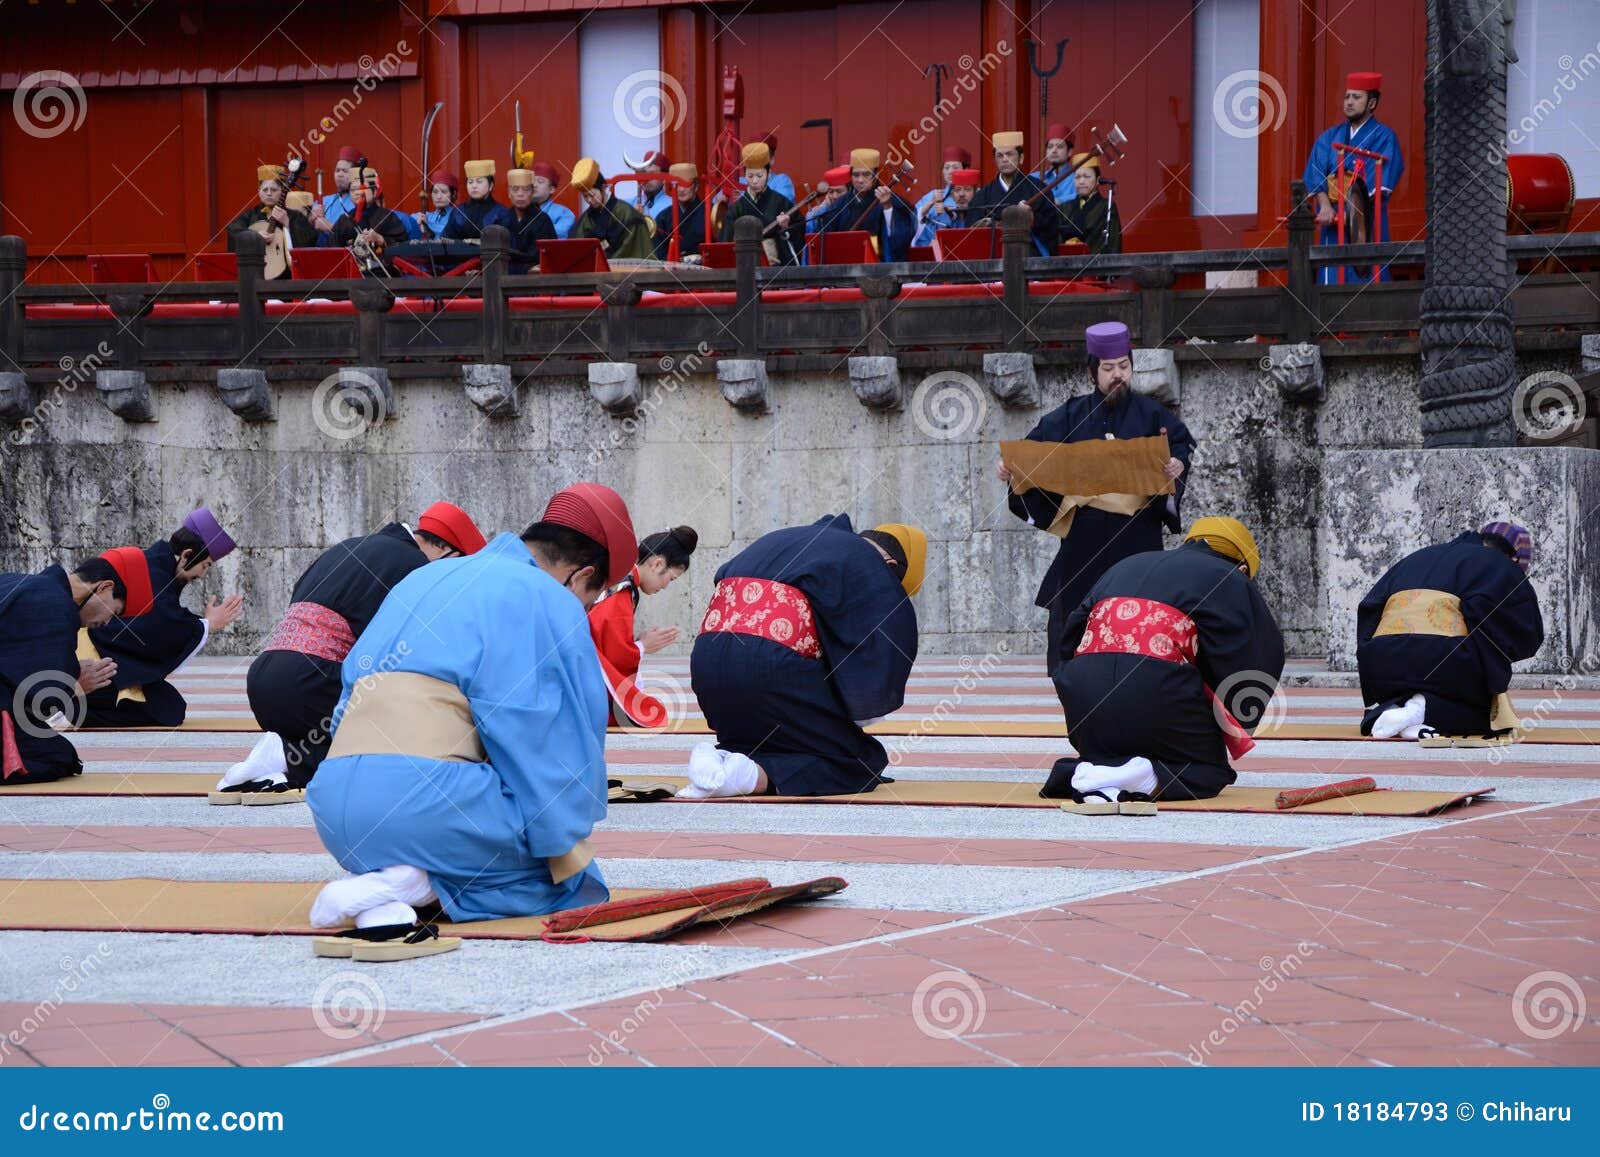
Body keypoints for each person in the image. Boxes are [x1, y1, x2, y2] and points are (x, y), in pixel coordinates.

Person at [305, 484, 637, 948]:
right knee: (568, 876)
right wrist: (567, 836)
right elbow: (544, 740)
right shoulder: (547, 598)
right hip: (425, 809)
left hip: (337, 815)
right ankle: (419, 883)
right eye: (588, 599)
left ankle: (384, 893)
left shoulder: (424, 577)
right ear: (582, 577)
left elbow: (347, 693)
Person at [215, 503, 487, 805]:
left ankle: (276, 758)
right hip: (311, 684)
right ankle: (286, 758)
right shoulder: (416, 568)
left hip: (263, 682)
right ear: (449, 552)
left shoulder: (348, 547)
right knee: (396, 743)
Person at [1042, 518, 1285, 807]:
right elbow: (1255, 657)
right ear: (1243, 568)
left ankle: (1086, 771)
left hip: (1085, 701)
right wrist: (1230, 719)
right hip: (1157, 693)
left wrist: (1073, 688)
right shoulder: (1229, 577)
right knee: (1209, 771)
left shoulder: (1127, 563)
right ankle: (1144, 776)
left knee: (1109, 748)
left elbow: (1069, 635)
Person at [999, 321, 1193, 672]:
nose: (1117, 375)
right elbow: (1031, 454)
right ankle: (1077, 683)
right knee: (1076, 624)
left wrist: (1177, 467)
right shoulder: (1069, 416)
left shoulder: (1153, 415)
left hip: (1137, 535)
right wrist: (1014, 474)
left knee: (1139, 615)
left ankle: (1139, 681)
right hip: (1083, 539)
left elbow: (1181, 447)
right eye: (1108, 369)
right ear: (1093, 371)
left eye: (1124, 366)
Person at [684, 517, 925, 798]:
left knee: (761, 739)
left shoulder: (787, 539)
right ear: (890, 567)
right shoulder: (866, 561)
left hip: (706, 663)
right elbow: (881, 645)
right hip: (769, 666)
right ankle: (751, 778)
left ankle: (719, 759)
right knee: (858, 759)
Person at [1356, 521, 1543, 744]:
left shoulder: (1419, 556)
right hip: (1444, 660)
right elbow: (1522, 629)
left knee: (1414, 677)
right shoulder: (1498, 564)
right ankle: (1422, 710)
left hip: (1381, 662)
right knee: (1490, 716)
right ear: (1514, 558)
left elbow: (1369, 607)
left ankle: (1399, 710)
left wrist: (1370, 657)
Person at [81, 508, 244, 728]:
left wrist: (204, 624)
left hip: (111, 655)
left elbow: (165, 617)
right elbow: (159, 624)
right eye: (204, 565)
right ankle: (81, 709)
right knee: (170, 710)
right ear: (186, 555)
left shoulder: (158, 564)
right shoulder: (153, 570)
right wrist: (208, 624)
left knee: (170, 706)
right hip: (95, 658)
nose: (201, 575)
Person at [1, 550, 150, 786]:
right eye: (116, 611)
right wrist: (76, 686)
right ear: (104, 587)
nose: (108, 622)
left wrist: (67, 673)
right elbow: (43, 705)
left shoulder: (25, 583)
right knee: (58, 756)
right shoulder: (56, 607)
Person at [1301, 71, 1404, 284]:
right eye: (1347, 97)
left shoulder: (1385, 136)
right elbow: (1316, 171)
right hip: (1332, 217)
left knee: (1367, 274)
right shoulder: (1328, 137)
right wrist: (1325, 207)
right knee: (1331, 278)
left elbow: (1379, 182)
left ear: (1371, 103)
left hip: (1366, 217)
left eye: (1356, 97)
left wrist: (1354, 212)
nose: (1349, 102)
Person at [589, 526, 699, 725]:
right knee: (651, 712)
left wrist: (638, 642)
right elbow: (613, 656)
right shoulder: (622, 594)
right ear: (657, 564)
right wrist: (642, 646)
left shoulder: (621, 580)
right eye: (670, 579)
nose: (666, 586)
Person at [812, 147, 914, 262]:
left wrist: (887, 207)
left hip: (880, 268)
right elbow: (823, 239)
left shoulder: (893, 201)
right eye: (856, 175)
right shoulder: (840, 204)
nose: (860, 180)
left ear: (876, 175)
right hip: (846, 268)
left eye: (866, 174)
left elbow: (901, 240)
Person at [970, 131, 1059, 256]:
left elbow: (1051, 228)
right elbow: (973, 233)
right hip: (994, 263)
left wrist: (1030, 218)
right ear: (994, 160)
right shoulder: (982, 196)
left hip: (1029, 258)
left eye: (1009, 154)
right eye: (999, 155)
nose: (1004, 159)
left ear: (1021, 158)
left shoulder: (1038, 189)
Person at [721, 142, 803, 263]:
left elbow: (799, 229)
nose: (754, 181)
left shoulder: (781, 202)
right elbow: (725, 243)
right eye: (750, 176)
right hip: (744, 267)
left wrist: (785, 229)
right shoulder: (737, 208)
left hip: (775, 267)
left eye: (759, 176)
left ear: (768, 174)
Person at [227, 165, 317, 275]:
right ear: (259, 192)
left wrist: (288, 224)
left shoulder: (294, 216)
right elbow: (233, 231)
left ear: (283, 191)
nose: (269, 193)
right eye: (265, 190)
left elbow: (309, 241)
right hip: (257, 274)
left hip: (287, 277)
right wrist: (255, 236)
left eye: (274, 190)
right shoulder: (250, 215)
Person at [573, 159, 655, 259]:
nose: (589, 200)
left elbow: (631, 249)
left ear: (603, 188)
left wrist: (605, 264)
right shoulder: (585, 219)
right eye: (585, 197)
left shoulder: (627, 213)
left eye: (592, 195)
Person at [327, 167, 411, 259]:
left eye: (362, 188)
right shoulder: (345, 219)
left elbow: (404, 246)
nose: (357, 193)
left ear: (375, 192)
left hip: (381, 270)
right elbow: (331, 249)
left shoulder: (387, 216)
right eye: (353, 189)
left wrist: (380, 239)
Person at [1058, 153, 1122, 254]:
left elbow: (1113, 242)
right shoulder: (1064, 207)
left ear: (1097, 180)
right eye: (1077, 177)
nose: (1081, 181)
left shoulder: (1107, 206)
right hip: (1068, 265)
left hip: (1096, 265)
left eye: (1087, 176)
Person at [912, 146, 973, 247]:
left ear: (965, 169)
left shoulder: (976, 195)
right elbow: (912, 218)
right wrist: (930, 203)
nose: (950, 171)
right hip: (930, 251)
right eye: (946, 167)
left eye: (955, 167)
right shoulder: (932, 196)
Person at [440, 160, 514, 242]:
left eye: (479, 181)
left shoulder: (501, 212)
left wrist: (478, 242)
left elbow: (507, 243)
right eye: (470, 182)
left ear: (491, 185)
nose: (474, 186)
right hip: (461, 254)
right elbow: (446, 240)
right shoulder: (459, 212)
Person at [503, 167, 558, 271]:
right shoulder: (501, 219)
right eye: (515, 189)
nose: (520, 194)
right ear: (509, 193)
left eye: (526, 189)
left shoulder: (543, 220)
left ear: (532, 192)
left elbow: (548, 256)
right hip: (505, 277)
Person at [653, 163, 711, 259]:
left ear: (696, 186)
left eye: (686, 184)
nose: (681, 190)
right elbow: (658, 253)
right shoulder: (663, 217)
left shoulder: (710, 212)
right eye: (676, 185)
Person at [914, 167, 981, 247]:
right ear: (952, 194)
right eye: (957, 190)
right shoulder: (942, 217)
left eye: (967, 189)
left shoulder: (982, 215)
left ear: (976, 193)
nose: (961, 194)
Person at [1030, 123, 1077, 209]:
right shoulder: (1033, 177)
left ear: (1069, 152)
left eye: (1059, 147)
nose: (1054, 150)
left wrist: (1057, 200)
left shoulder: (1077, 178)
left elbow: (1080, 197)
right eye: (1050, 147)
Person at [528, 162, 576, 239]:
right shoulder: (522, 210)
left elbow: (556, 236)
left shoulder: (564, 214)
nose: (534, 185)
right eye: (532, 181)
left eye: (540, 181)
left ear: (551, 189)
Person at [318, 146, 362, 228]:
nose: (340, 174)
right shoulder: (325, 201)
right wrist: (311, 218)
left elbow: (359, 235)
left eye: (345, 171)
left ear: (355, 175)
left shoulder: (360, 201)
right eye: (337, 170)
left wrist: (330, 228)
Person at [413, 169, 458, 239]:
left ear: (453, 194)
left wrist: (428, 228)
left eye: (443, 192)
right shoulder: (424, 216)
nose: (439, 197)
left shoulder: (458, 217)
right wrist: (416, 224)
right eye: (435, 192)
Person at [631, 150, 675, 221]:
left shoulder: (673, 205)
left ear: (664, 178)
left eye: (652, 174)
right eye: (644, 173)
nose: (646, 178)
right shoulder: (629, 204)